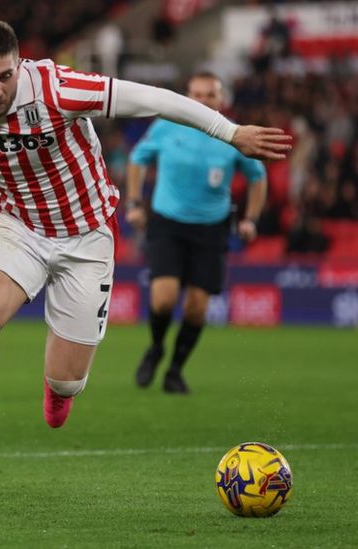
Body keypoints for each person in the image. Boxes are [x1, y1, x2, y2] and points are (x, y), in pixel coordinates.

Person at [0, 21, 290, 498]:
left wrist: (231, 133)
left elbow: (157, 99)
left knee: (67, 382)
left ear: (19, 65)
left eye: (5, 76)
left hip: (87, 239)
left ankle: (59, 390)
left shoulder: (59, 88)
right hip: (18, 228)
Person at [126, 72, 268, 395]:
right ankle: (156, 347)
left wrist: (251, 219)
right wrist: (134, 202)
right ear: (187, 96)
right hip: (168, 222)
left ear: (221, 100)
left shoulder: (232, 134)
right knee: (163, 299)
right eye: (197, 94)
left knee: (197, 308)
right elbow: (137, 159)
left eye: (210, 95)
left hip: (211, 229)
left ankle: (175, 370)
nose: (202, 101)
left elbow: (258, 175)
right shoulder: (166, 125)